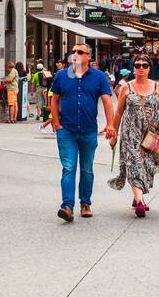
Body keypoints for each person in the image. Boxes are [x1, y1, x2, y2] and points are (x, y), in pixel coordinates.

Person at [49, 43, 116, 223]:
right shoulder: (62, 76)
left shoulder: (99, 77)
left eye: (80, 52)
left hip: (88, 131)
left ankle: (85, 203)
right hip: (66, 130)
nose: (75, 55)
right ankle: (67, 206)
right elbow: (54, 100)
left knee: (86, 170)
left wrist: (110, 124)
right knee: (69, 168)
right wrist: (56, 122)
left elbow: (107, 102)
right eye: (73, 52)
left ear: (89, 57)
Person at [107, 54, 159, 217]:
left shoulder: (156, 87)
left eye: (144, 65)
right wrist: (114, 134)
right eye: (137, 65)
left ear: (149, 68)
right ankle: (140, 201)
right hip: (130, 132)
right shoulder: (127, 87)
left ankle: (136, 195)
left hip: (151, 133)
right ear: (133, 68)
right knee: (134, 163)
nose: (141, 68)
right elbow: (118, 113)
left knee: (146, 165)